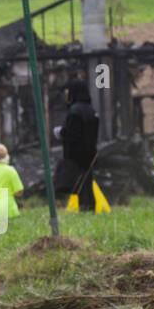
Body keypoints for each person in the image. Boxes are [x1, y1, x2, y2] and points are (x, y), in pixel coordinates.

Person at [53, 79, 99, 212]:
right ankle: (89, 209)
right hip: (90, 154)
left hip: (75, 155)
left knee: (75, 185)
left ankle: (85, 209)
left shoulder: (74, 111)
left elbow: (72, 134)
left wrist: (61, 132)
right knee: (86, 185)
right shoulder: (91, 110)